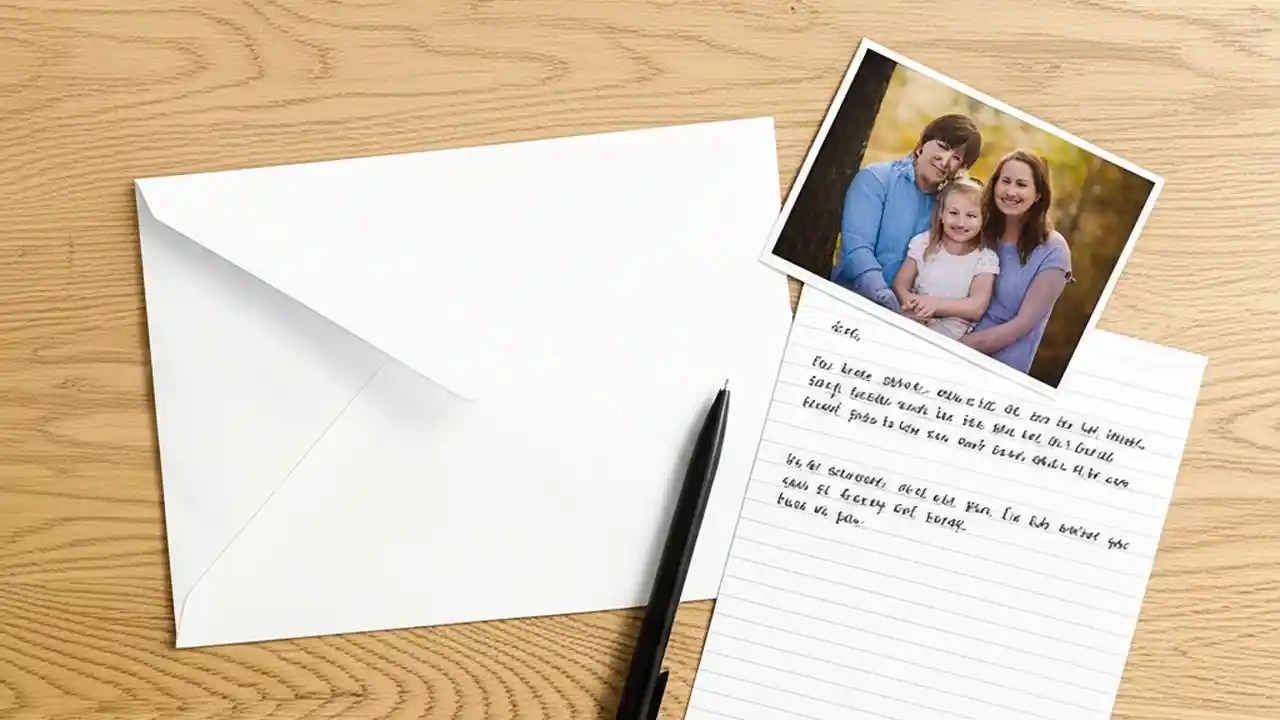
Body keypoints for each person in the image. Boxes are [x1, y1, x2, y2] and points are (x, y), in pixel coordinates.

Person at [830, 113, 982, 312]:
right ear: (921, 146)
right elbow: (856, 249)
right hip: (850, 299)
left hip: (910, 313)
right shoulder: (877, 179)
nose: (944, 161)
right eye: (943, 147)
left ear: (960, 169)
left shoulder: (949, 210)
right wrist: (887, 300)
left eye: (956, 158)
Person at [961, 149, 1072, 373]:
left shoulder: (1053, 250)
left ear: (1039, 193)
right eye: (1006, 182)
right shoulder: (979, 231)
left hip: (998, 368)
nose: (1011, 191)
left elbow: (1021, 326)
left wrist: (958, 347)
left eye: (1021, 184)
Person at [892, 176, 999, 340]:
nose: (961, 223)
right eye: (953, 213)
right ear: (941, 213)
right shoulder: (924, 243)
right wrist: (912, 305)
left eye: (971, 216)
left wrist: (934, 306)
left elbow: (976, 307)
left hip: (950, 338)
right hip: (912, 323)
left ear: (983, 219)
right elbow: (901, 284)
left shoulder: (984, 258)